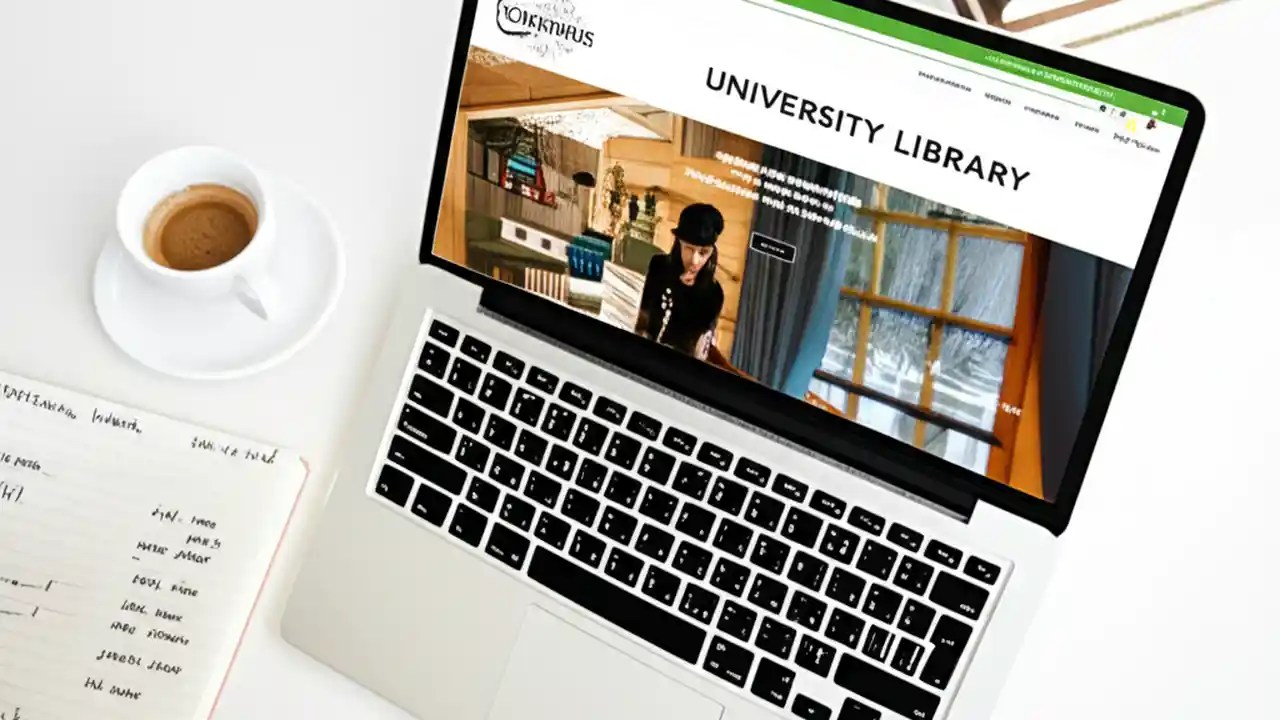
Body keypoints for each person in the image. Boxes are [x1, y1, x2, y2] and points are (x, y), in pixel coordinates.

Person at [634, 203, 725, 359]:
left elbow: (700, 350)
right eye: (689, 249)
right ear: (678, 245)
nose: (695, 260)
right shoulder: (658, 266)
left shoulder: (714, 294)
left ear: (712, 253)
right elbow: (643, 318)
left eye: (703, 252)